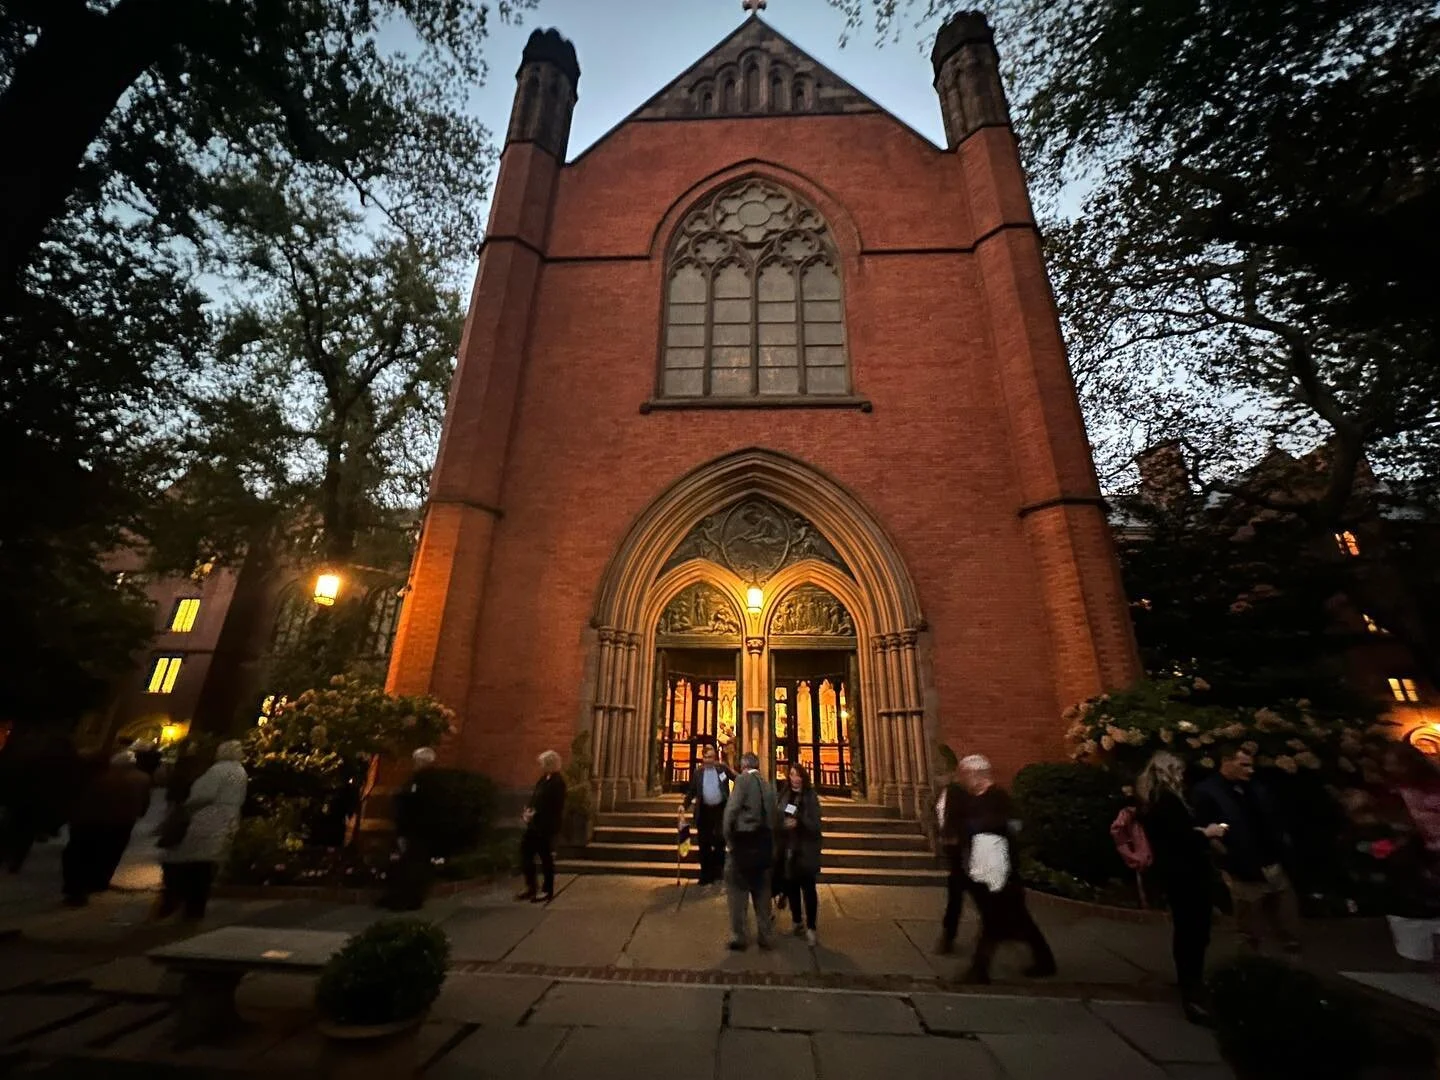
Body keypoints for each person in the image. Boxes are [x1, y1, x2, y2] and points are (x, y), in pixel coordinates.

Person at [946, 754, 1057, 984]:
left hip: (1000, 870)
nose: (962, 779)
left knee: (993, 921)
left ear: (976, 774)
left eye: (965, 774)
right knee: (1015, 918)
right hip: (984, 868)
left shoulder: (997, 797)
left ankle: (980, 969)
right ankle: (1045, 961)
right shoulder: (974, 798)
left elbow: (1004, 827)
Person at [1136, 750, 1226, 1025]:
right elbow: (1179, 839)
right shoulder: (1168, 802)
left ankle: (1190, 982)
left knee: (1189, 930)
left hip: (1175, 874)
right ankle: (1192, 989)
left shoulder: (1153, 801)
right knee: (1194, 931)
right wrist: (1206, 834)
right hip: (1186, 874)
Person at [1191, 744, 1301, 954]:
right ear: (1226, 762)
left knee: (1287, 917)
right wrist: (1228, 859)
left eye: (1250, 766)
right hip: (1242, 866)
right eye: (1243, 765)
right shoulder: (1208, 792)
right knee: (1248, 925)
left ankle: (1289, 956)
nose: (1249, 770)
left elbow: (1272, 819)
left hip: (1271, 862)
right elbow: (1205, 831)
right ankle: (1248, 966)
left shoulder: (1254, 788)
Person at [155, 740, 248, 921]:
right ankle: (194, 907)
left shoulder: (218, 770)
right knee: (204, 865)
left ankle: (181, 902)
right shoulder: (240, 771)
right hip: (227, 818)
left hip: (208, 819)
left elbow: (202, 795)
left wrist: (186, 806)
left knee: (189, 862)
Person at [62, 749, 152, 906]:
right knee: (107, 853)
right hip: (120, 822)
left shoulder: (96, 778)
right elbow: (140, 801)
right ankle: (97, 882)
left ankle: (77, 889)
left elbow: (80, 799)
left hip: (90, 822)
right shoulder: (134, 779)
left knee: (80, 855)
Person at [722, 751, 777, 951]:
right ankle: (765, 935)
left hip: (744, 844)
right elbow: (774, 816)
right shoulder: (767, 784)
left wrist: (729, 840)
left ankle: (739, 935)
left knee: (737, 892)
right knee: (762, 893)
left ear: (744, 766)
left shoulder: (743, 781)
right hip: (763, 845)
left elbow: (731, 811)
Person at [379, 747, 441, 911]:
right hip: (416, 829)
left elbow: (417, 805)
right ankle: (405, 898)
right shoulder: (423, 780)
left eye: (417, 761)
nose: (415, 764)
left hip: (417, 829)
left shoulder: (425, 782)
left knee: (413, 864)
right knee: (410, 863)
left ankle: (409, 899)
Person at [777, 763, 823, 946]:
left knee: (808, 889)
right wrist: (783, 824)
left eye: (797, 775)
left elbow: (816, 825)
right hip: (789, 849)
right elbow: (778, 815)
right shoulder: (785, 794)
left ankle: (811, 926)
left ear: (803, 778)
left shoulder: (810, 797)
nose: (794, 779)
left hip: (805, 850)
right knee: (791, 888)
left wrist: (799, 821)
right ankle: (797, 921)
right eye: (792, 775)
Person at [517, 750, 566, 903]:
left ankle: (547, 890)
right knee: (525, 853)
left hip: (546, 826)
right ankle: (530, 886)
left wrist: (536, 813)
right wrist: (528, 811)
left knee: (546, 858)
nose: (540, 766)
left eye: (542, 763)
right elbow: (535, 797)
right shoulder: (543, 779)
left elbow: (555, 806)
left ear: (549, 764)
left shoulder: (558, 782)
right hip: (534, 825)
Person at [681, 744, 733, 886]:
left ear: (715, 757)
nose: (708, 760)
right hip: (704, 812)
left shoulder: (722, 768)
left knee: (719, 843)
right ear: (702, 758)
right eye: (706, 757)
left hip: (719, 811)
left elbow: (736, 779)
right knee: (704, 845)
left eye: (711, 757)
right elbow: (691, 791)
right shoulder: (698, 773)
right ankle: (705, 874)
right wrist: (684, 805)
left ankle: (718, 872)